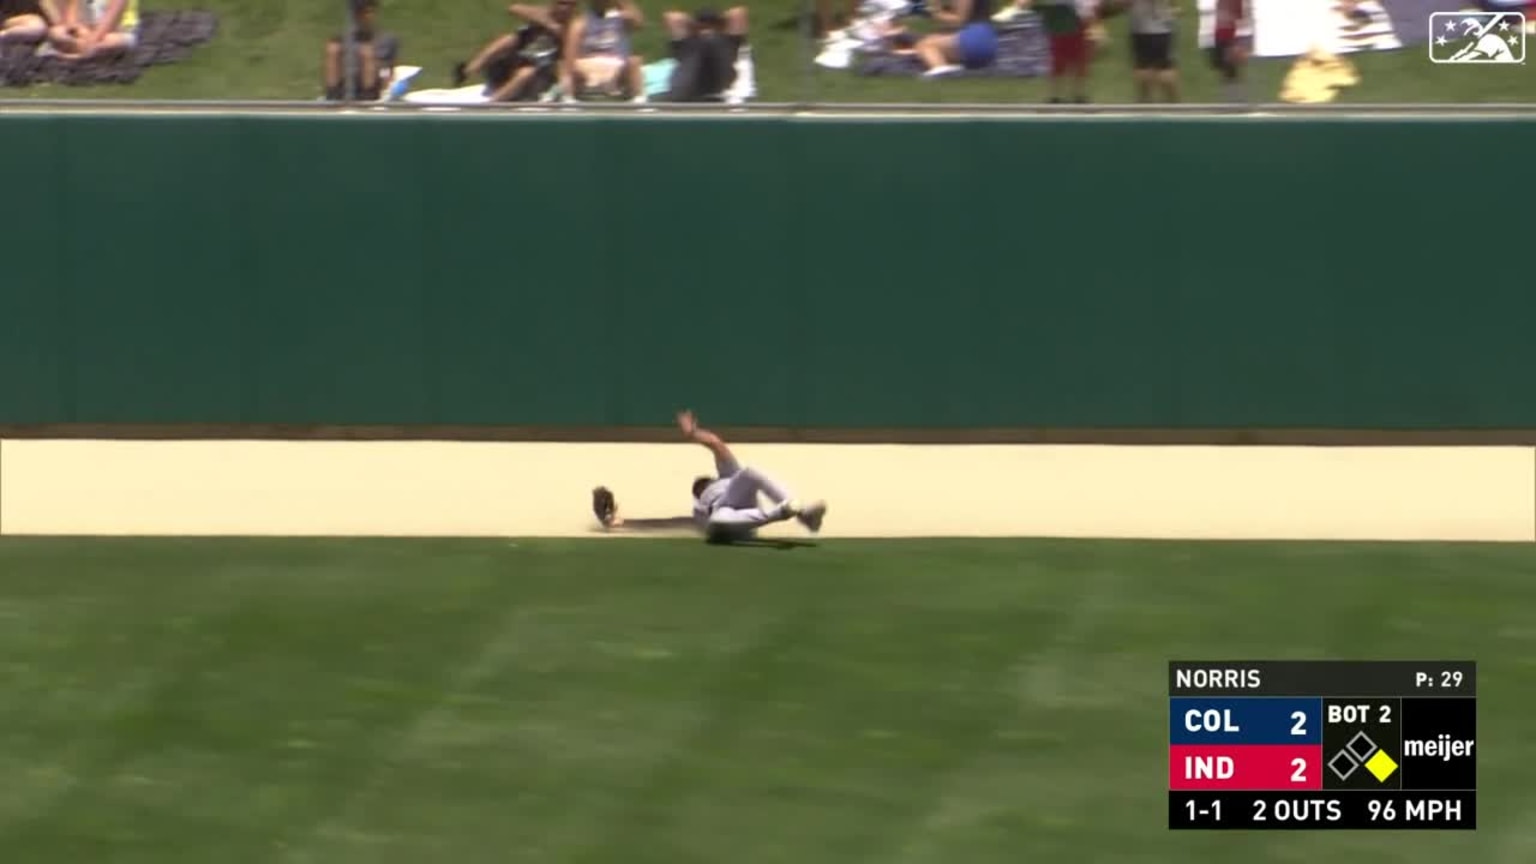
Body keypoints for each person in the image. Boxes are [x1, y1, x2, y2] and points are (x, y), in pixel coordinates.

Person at [677, 410, 827, 542]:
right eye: (697, 488)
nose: (700, 487)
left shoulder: (727, 477)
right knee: (717, 520)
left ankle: (804, 515)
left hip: (743, 515)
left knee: (750, 472)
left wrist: (693, 434)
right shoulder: (698, 508)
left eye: (703, 484)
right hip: (725, 524)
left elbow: (716, 444)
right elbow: (703, 527)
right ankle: (781, 512)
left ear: (712, 481)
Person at [455, 1, 575, 102]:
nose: (566, 9)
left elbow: (566, 62)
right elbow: (514, 8)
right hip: (513, 62)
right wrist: (548, 23)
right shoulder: (543, 15)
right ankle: (468, 70)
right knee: (509, 39)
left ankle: (491, 104)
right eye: (562, 4)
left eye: (571, 5)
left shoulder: (570, 30)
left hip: (537, 73)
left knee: (526, 73)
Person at [559, 0, 646, 102]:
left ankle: (639, 101)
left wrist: (622, 4)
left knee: (634, 62)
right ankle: (568, 99)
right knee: (564, 65)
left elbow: (639, 22)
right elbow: (570, 55)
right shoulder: (581, 23)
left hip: (617, 67)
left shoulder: (622, 19)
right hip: (589, 67)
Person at [661, 6, 748, 101]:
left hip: (716, 81)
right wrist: (697, 26)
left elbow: (738, 13)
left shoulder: (728, 40)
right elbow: (672, 18)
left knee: (712, 43)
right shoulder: (685, 41)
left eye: (711, 26)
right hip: (688, 85)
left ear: (719, 27)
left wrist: (715, 26)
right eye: (704, 26)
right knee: (694, 59)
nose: (708, 31)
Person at [322, 0, 400, 102]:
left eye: (368, 12)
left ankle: (367, 99)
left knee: (366, 53)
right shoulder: (344, 39)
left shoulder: (387, 40)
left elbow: (389, 69)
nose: (364, 17)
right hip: (347, 82)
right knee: (333, 49)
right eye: (359, 13)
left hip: (374, 85)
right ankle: (332, 97)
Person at [914, 0, 997, 77]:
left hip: (975, 40)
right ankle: (953, 66)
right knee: (933, 38)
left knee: (925, 45)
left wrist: (936, 11)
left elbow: (958, 21)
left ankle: (940, 68)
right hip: (986, 40)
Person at [46, 0, 136, 59]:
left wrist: (90, 39)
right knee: (56, 33)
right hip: (84, 33)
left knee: (112, 41)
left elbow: (109, 24)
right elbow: (71, 22)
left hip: (112, 32)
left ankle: (75, 53)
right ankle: (82, 52)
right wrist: (81, 32)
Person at [1127, 0, 1177, 102]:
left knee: (1151, 68)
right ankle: (1172, 104)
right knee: (1158, 67)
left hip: (1150, 28)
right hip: (1154, 27)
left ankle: (1146, 103)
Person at [1209, 0, 1248, 103]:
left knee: (1231, 71)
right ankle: (1231, 102)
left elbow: (1242, 18)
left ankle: (1237, 103)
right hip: (1221, 35)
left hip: (1230, 37)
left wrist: (1238, 42)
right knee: (1226, 72)